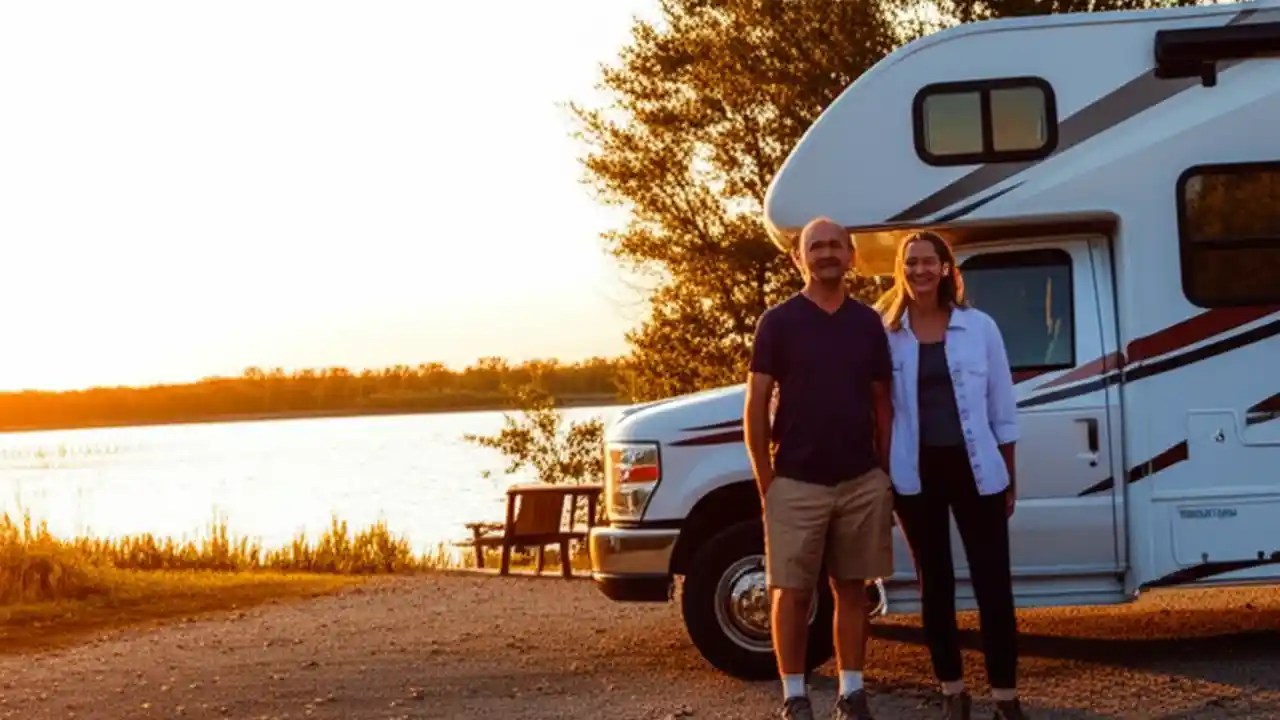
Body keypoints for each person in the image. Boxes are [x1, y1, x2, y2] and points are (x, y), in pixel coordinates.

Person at [745, 217, 896, 720]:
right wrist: (768, 482)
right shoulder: (778, 322)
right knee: (791, 592)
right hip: (795, 481)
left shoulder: (866, 323)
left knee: (851, 589)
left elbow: (882, 402)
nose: (827, 253)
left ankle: (852, 693)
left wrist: (884, 474)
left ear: (851, 255)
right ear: (799, 258)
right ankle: (794, 696)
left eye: (835, 245)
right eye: (817, 246)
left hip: (860, 480)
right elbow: (757, 403)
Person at [873, 231, 1026, 720]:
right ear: (901, 270)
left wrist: (1009, 470)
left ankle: (1005, 696)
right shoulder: (886, 330)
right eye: (910, 262)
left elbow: (1002, 404)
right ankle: (952, 691)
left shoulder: (980, 327)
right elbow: (876, 406)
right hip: (914, 475)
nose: (919, 270)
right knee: (934, 586)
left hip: (978, 468)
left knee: (993, 586)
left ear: (945, 268)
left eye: (928, 262)